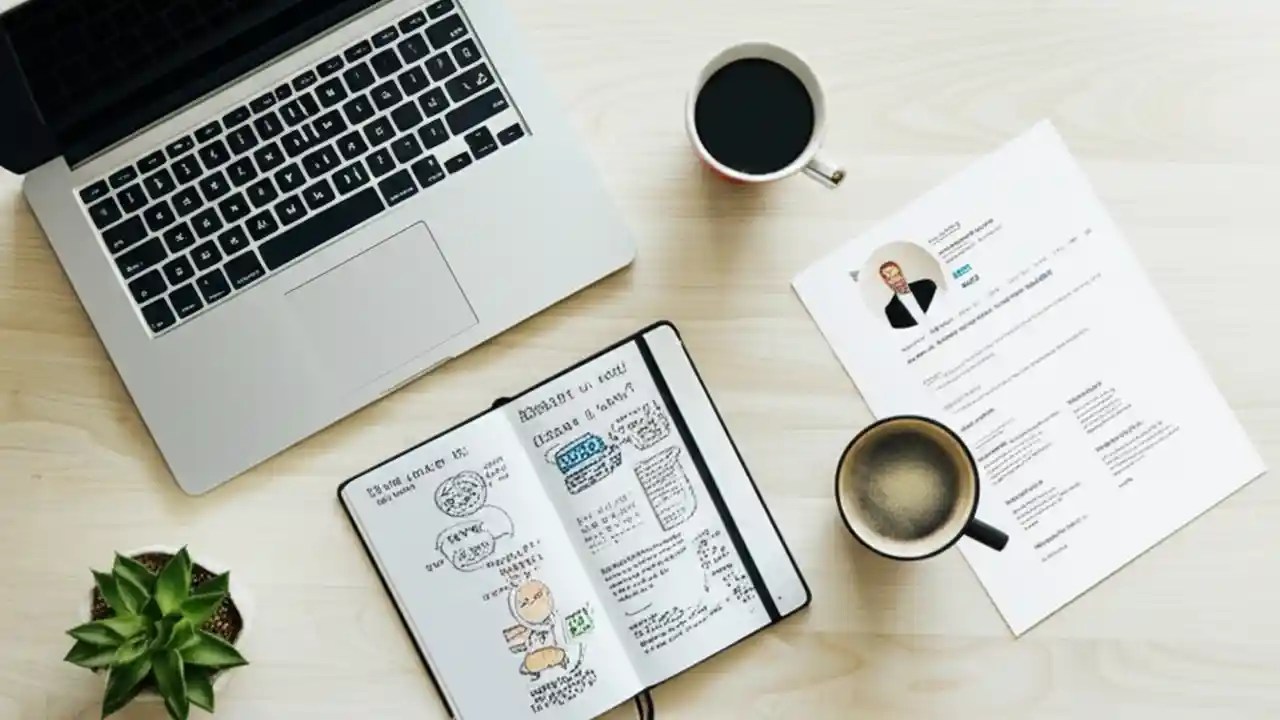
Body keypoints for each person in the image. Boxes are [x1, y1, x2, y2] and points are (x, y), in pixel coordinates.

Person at [879, 261, 938, 329]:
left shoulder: (927, 285)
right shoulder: (891, 311)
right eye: (890, 278)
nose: (897, 280)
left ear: (902, 274)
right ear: (886, 282)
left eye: (897, 274)